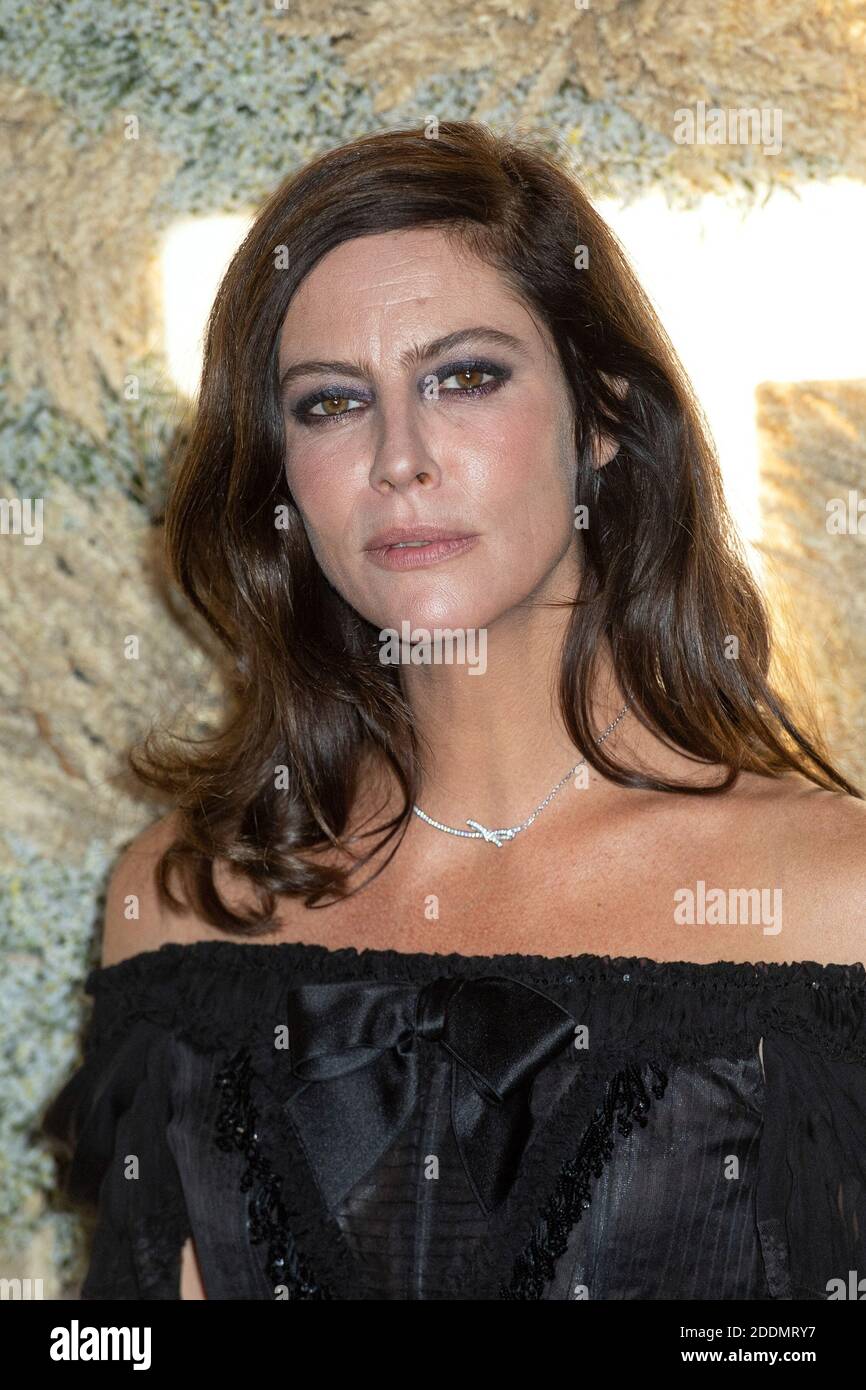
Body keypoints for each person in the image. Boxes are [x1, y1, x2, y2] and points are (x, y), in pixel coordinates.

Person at [43, 122, 865, 1301]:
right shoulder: (184, 904)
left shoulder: (832, 896)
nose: (399, 457)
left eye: (463, 377)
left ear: (601, 423)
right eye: (330, 404)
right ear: (281, 476)